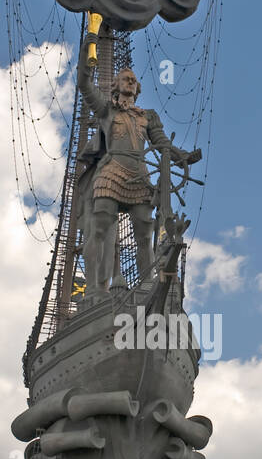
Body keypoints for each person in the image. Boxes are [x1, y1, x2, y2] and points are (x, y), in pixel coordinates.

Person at [77, 29, 200, 296]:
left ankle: (146, 286)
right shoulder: (106, 109)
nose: (131, 82)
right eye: (125, 79)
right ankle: (97, 289)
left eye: (133, 79)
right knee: (99, 227)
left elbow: (162, 144)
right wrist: (89, 50)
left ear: (138, 87)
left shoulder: (148, 116)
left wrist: (181, 157)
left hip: (139, 177)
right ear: (115, 85)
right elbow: (85, 86)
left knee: (144, 232)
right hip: (111, 172)